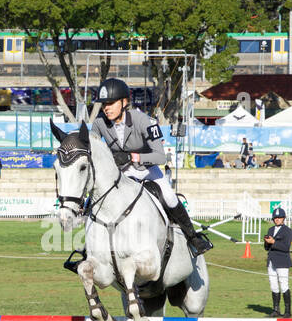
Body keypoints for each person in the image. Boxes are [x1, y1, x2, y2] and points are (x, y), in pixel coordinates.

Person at [88, 77, 212, 255]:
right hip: (120, 173)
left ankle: (193, 238)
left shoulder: (144, 121)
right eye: (103, 104)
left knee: (169, 196)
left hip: (146, 170)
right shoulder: (100, 123)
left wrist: (133, 157)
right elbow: (93, 145)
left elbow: (160, 156)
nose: (106, 108)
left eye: (110, 103)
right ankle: (89, 249)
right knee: (94, 197)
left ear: (124, 102)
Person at [263, 208, 292, 318]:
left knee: (284, 284)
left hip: (282, 260)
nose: (277, 220)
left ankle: (287, 311)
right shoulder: (271, 230)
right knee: (273, 285)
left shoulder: (288, 231)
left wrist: (274, 242)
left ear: (283, 218)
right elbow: (267, 248)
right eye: (276, 218)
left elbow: (286, 247)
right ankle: (276, 309)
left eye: (279, 218)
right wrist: (266, 242)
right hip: (271, 260)